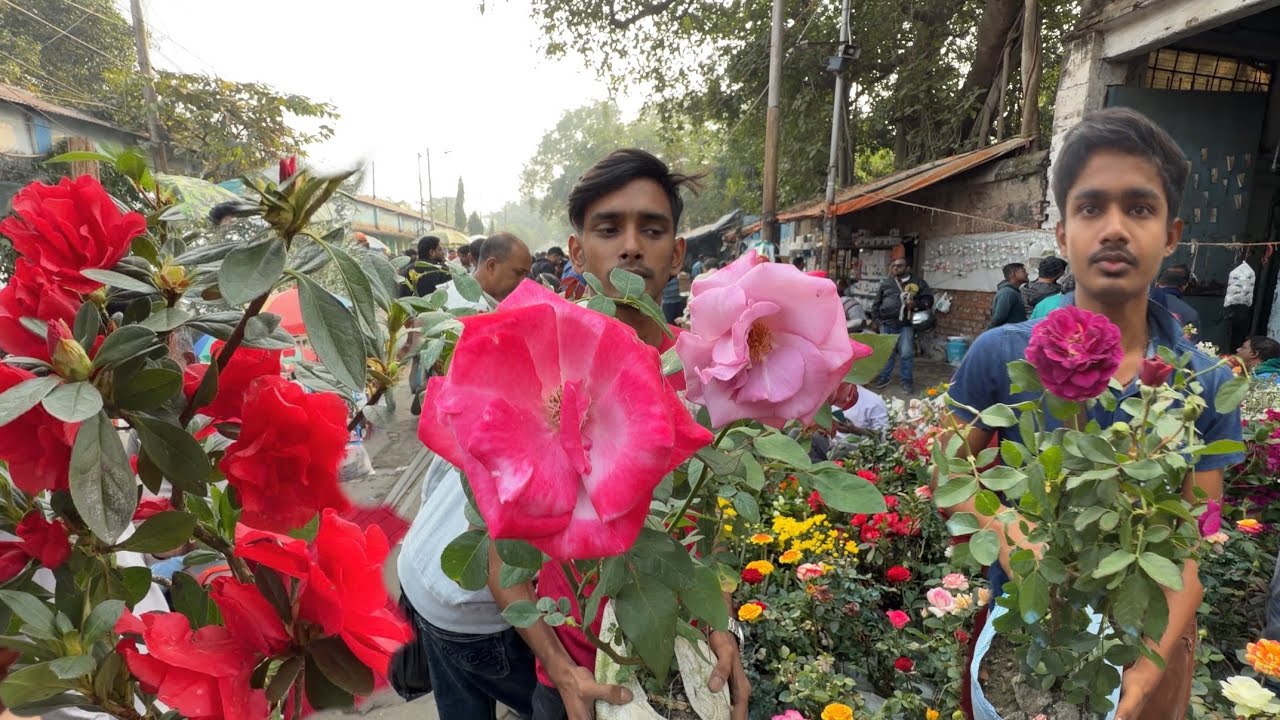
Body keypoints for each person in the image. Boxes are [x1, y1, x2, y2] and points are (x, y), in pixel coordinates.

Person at [943, 107, 1242, 720]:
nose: (1113, 229)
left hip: (1147, 640)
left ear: (1173, 233)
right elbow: (946, 470)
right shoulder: (1002, 355)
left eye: (1139, 208)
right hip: (1027, 632)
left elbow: (1194, 539)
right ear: (1060, 235)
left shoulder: (1204, 384)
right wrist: (1004, 529)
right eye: (1090, 208)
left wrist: (1150, 665)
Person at [487, 148, 750, 720]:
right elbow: (502, 555)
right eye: (610, 229)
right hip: (574, 671)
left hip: (673, 660)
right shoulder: (526, 353)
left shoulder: (701, 376)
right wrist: (560, 670)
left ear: (677, 252)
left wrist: (722, 626)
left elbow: (708, 524)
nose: (631, 245)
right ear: (578, 250)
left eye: (651, 229)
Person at [396, 232, 538, 720]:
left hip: (419, 572)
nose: (525, 282)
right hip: (465, 606)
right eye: (520, 273)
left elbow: (437, 479)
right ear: (491, 265)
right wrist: (561, 665)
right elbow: (502, 569)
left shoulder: (479, 396)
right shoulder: (469, 316)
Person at [871, 257, 932, 394]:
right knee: (887, 353)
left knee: (906, 353)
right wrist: (876, 320)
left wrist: (916, 304)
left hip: (906, 324)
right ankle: (884, 377)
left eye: (899, 266)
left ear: (908, 268)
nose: (895, 268)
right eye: (894, 266)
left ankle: (906, 381)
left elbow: (928, 300)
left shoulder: (918, 283)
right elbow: (877, 302)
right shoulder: (887, 283)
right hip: (886, 323)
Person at [440, 233, 533, 311]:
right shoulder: (474, 310)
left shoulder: (465, 289)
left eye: (526, 275)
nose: (523, 282)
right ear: (491, 265)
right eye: (518, 273)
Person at [1150, 265, 1201, 340]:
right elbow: (1191, 349)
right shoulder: (1191, 314)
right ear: (1184, 286)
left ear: (1157, 282)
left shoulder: (1140, 304)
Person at [988, 262, 1028, 329]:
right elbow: (998, 318)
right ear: (1013, 274)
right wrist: (985, 335)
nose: (1027, 274)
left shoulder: (1014, 291)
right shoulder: (1007, 293)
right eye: (1023, 271)